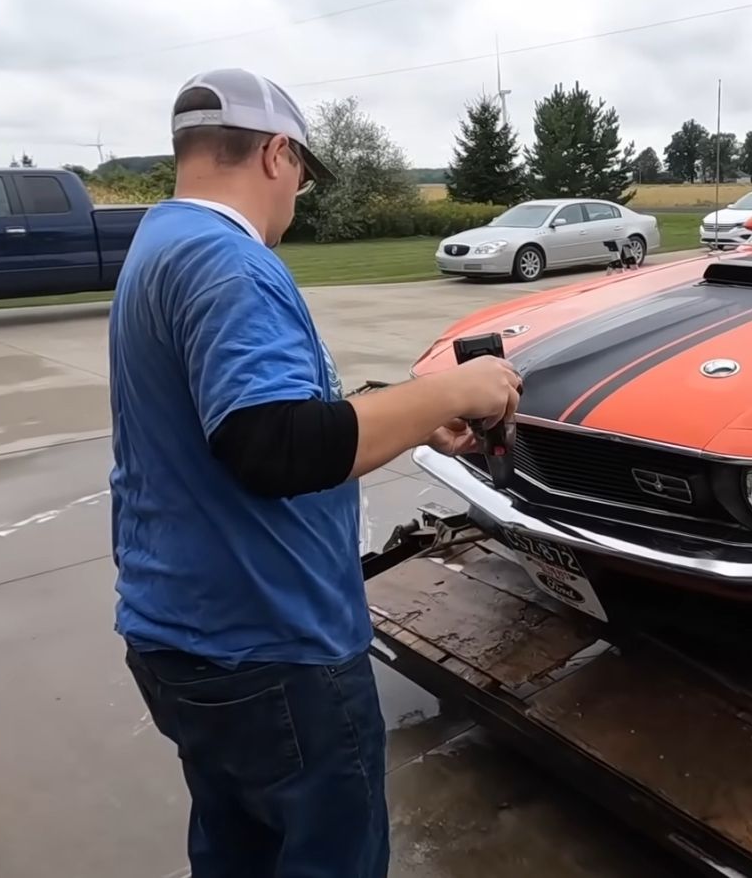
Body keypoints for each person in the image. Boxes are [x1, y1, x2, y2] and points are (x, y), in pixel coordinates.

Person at [107, 68, 520, 878]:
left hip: (181, 632)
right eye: (301, 169)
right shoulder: (231, 263)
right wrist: (454, 388)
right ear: (275, 153)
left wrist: (403, 419)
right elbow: (274, 447)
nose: (298, 189)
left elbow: (250, 417)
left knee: (238, 850)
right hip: (272, 647)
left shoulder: (161, 241)